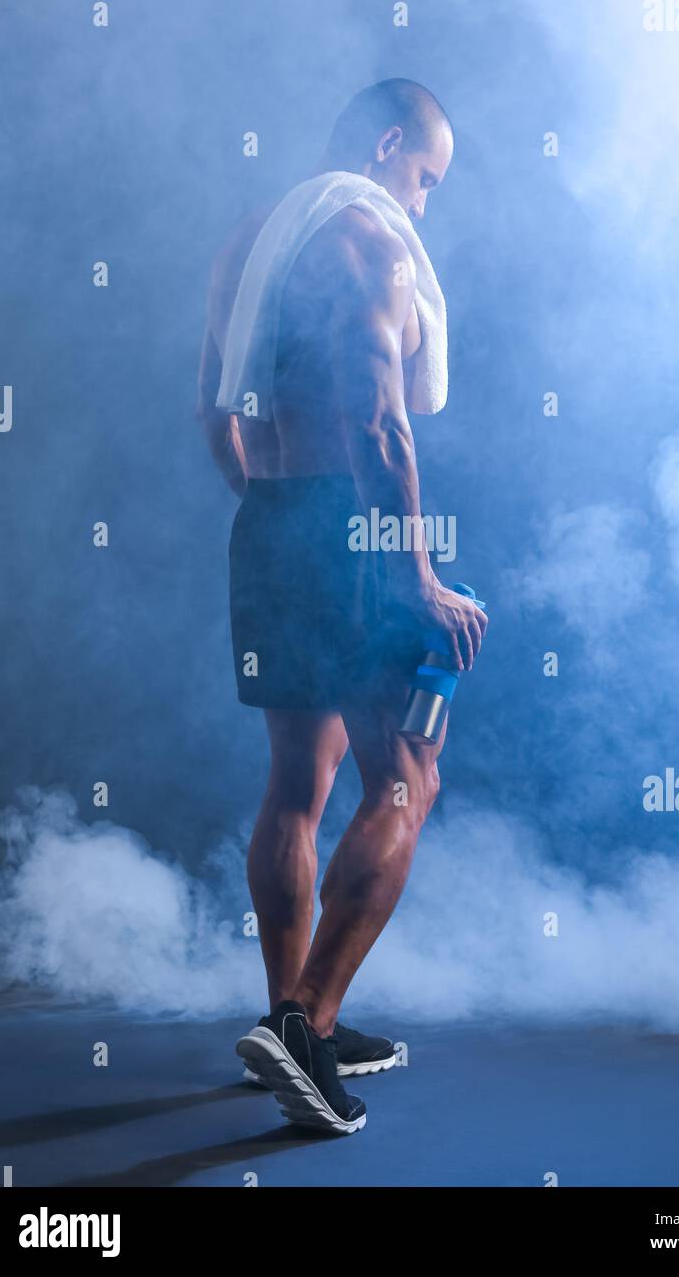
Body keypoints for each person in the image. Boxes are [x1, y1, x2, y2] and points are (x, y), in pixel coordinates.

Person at [197, 79, 487, 1134]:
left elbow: (211, 410)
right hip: (352, 530)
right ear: (386, 148)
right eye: (425, 177)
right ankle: (306, 1026)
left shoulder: (252, 239)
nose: (424, 203)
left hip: (270, 518)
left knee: (297, 777)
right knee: (406, 778)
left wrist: (273, 514)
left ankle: (285, 1013)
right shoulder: (367, 236)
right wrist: (409, 572)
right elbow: (377, 422)